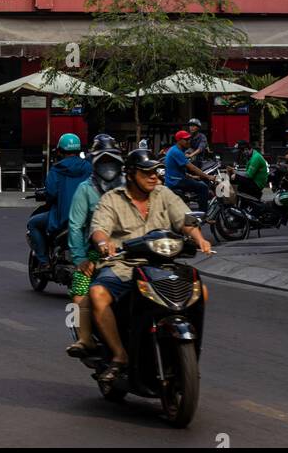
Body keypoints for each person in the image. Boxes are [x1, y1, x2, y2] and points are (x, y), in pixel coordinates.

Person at [88, 149, 213, 384]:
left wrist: (200, 239)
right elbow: (99, 228)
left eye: (155, 171)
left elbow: (184, 220)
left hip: (163, 266)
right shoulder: (112, 199)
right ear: (131, 174)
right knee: (97, 293)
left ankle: (190, 349)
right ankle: (119, 355)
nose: (154, 177)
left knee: (201, 292)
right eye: (147, 172)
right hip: (124, 266)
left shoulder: (164, 194)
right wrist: (104, 243)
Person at [65, 136, 124, 359]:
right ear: (94, 162)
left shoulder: (130, 184)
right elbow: (76, 225)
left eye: (112, 161)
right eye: (103, 161)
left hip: (131, 249)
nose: (108, 167)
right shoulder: (85, 189)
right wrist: (80, 258)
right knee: (79, 290)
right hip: (95, 251)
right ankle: (84, 337)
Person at [27, 133, 92, 268]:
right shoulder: (88, 167)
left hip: (62, 217)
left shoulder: (56, 169)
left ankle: (44, 262)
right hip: (86, 217)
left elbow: (50, 194)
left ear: (60, 151)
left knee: (33, 223)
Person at [163, 129, 213, 212]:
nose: (188, 141)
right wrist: (208, 177)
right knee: (203, 187)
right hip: (176, 182)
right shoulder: (176, 152)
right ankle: (203, 215)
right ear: (179, 140)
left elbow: (178, 169)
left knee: (198, 181)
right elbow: (192, 167)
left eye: (189, 139)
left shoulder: (177, 150)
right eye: (186, 139)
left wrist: (193, 176)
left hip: (176, 179)